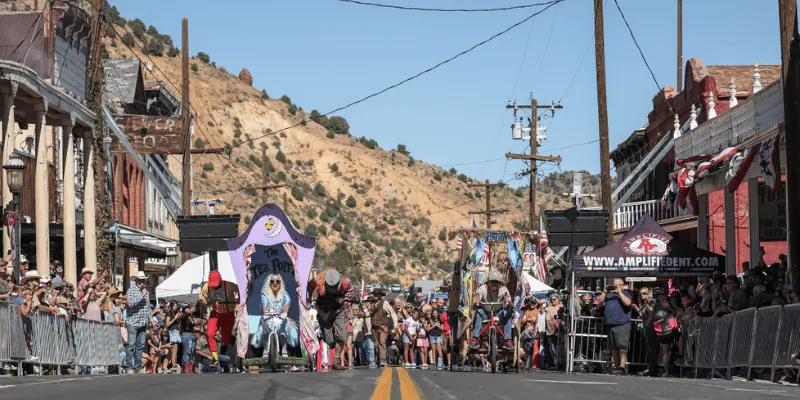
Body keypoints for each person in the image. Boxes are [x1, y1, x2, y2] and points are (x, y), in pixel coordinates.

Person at [312, 268, 353, 370]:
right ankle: (331, 340)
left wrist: (344, 300)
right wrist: (308, 299)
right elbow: (308, 287)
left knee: (342, 336)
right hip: (324, 311)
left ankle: (335, 361)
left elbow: (350, 290)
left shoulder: (345, 281)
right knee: (330, 341)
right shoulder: (318, 280)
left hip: (338, 309)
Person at [200, 270, 240, 363]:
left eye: (216, 284)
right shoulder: (206, 287)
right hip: (215, 314)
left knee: (225, 338)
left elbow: (240, 290)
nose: (214, 286)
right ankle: (215, 357)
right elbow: (202, 300)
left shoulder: (229, 285)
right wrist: (208, 303)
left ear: (221, 280)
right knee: (209, 333)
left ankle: (227, 343)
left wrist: (238, 303)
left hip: (228, 314)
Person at [470, 269, 513, 350]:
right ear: (488, 282)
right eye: (492, 281)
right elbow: (476, 301)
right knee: (479, 311)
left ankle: (508, 340)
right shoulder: (482, 289)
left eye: (496, 282)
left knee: (506, 313)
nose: (494, 284)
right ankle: (475, 338)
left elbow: (510, 304)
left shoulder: (503, 289)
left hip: (498, 312)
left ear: (499, 283)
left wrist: (509, 302)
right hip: (485, 313)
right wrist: (476, 302)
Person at [597, 278, 633, 375]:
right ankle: (615, 366)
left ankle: (622, 367)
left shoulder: (626, 293)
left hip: (622, 324)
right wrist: (604, 292)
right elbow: (599, 302)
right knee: (613, 348)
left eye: (616, 284)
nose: (614, 286)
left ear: (621, 285)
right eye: (613, 284)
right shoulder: (608, 294)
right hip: (610, 324)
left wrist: (619, 291)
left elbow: (628, 303)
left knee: (622, 347)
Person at [260, 273, 299, 356]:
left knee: (284, 329)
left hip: (280, 317)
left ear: (280, 283)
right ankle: (266, 349)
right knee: (266, 328)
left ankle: (284, 350)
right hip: (269, 317)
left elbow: (287, 302)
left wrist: (285, 313)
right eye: (272, 281)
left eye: (277, 281)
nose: (275, 283)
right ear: (269, 283)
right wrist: (266, 313)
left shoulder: (284, 294)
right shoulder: (265, 294)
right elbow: (264, 304)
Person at [126, 271, 151, 374]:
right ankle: (129, 367)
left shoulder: (146, 292)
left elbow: (147, 307)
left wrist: (150, 320)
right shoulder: (131, 291)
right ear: (136, 280)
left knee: (140, 346)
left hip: (143, 322)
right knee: (131, 345)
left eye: (143, 280)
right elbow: (131, 303)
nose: (142, 282)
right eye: (141, 279)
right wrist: (141, 295)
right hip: (133, 322)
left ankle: (138, 367)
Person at [369, 287, 397, 368]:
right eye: (374, 294)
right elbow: (369, 314)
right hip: (374, 327)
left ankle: (383, 360)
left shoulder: (385, 303)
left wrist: (395, 327)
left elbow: (393, 314)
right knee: (376, 344)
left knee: (382, 343)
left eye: (377, 294)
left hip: (382, 326)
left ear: (380, 295)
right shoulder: (372, 304)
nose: (375, 295)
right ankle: (378, 360)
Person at [542, 294, 563, 371]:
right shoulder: (548, 308)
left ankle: (559, 363)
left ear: (558, 299)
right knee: (552, 348)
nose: (553, 301)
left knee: (559, 348)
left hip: (559, 330)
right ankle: (554, 363)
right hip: (550, 331)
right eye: (551, 299)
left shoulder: (561, 307)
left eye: (554, 299)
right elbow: (543, 314)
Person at [180, 304, 197, 373]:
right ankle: (185, 366)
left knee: (192, 351)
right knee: (187, 351)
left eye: (188, 308)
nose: (188, 310)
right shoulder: (183, 316)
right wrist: (189, 312)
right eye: (186, 309)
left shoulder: (191, 317)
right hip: (186, 335)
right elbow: (184, 317)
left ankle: (191, 366)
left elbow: (192, 326)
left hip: (192, 335)